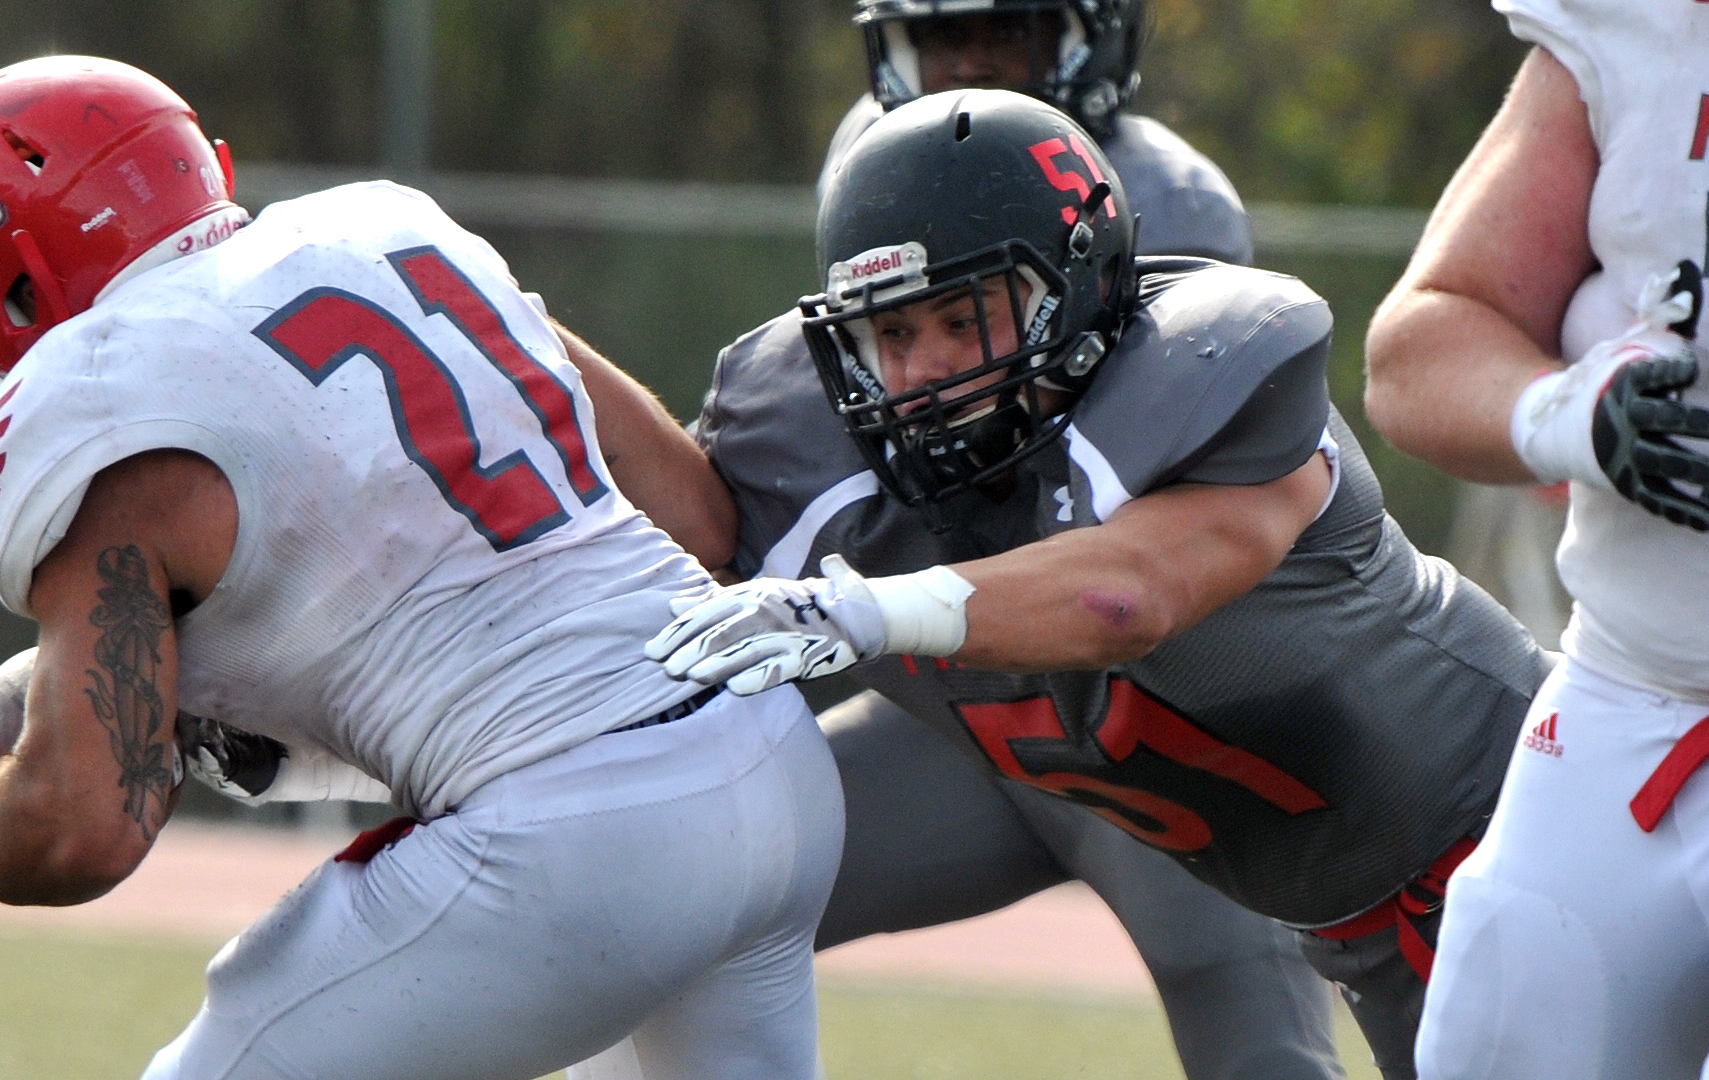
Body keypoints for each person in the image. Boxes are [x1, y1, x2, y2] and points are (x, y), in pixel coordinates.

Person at [0, 55, 843, 1080]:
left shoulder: (107, 407)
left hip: (581, 840)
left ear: (20, 280)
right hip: (773, 767)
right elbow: (694, 519)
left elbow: (85, 829)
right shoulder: (391, 231)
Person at [647, 88, 1551, 1080]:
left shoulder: (1205, 370)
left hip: (1518, 838)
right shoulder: (837, 451)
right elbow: (691, 519)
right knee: (664, 906)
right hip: (1366, 917)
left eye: (963, 317)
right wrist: (511, 322)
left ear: (1077, 291)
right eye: (892, 335)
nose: (924, 370)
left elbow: (1125, 596)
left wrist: (859, 609)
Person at [783, 5, 1354, 1079]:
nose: (966, 67)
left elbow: (1096, 524)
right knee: (683, 898)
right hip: (964, 714)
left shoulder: (1167, 200)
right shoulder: (870, 159)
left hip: (1161, 724)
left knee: (1262, 1054)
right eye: (938, 40)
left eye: (1001, 34)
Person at [1361, 0, 1709, 1074]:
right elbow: (1417, 352)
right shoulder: (1638, 28)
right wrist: (1570, 413)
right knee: (1505, 1034)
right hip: (1632, 689)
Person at [822, 0, 1254, 266]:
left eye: (1010, 33)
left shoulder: (1171, 200)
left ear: (1094, 47)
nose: (971, 66)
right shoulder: (866, 147)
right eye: (945, 34)